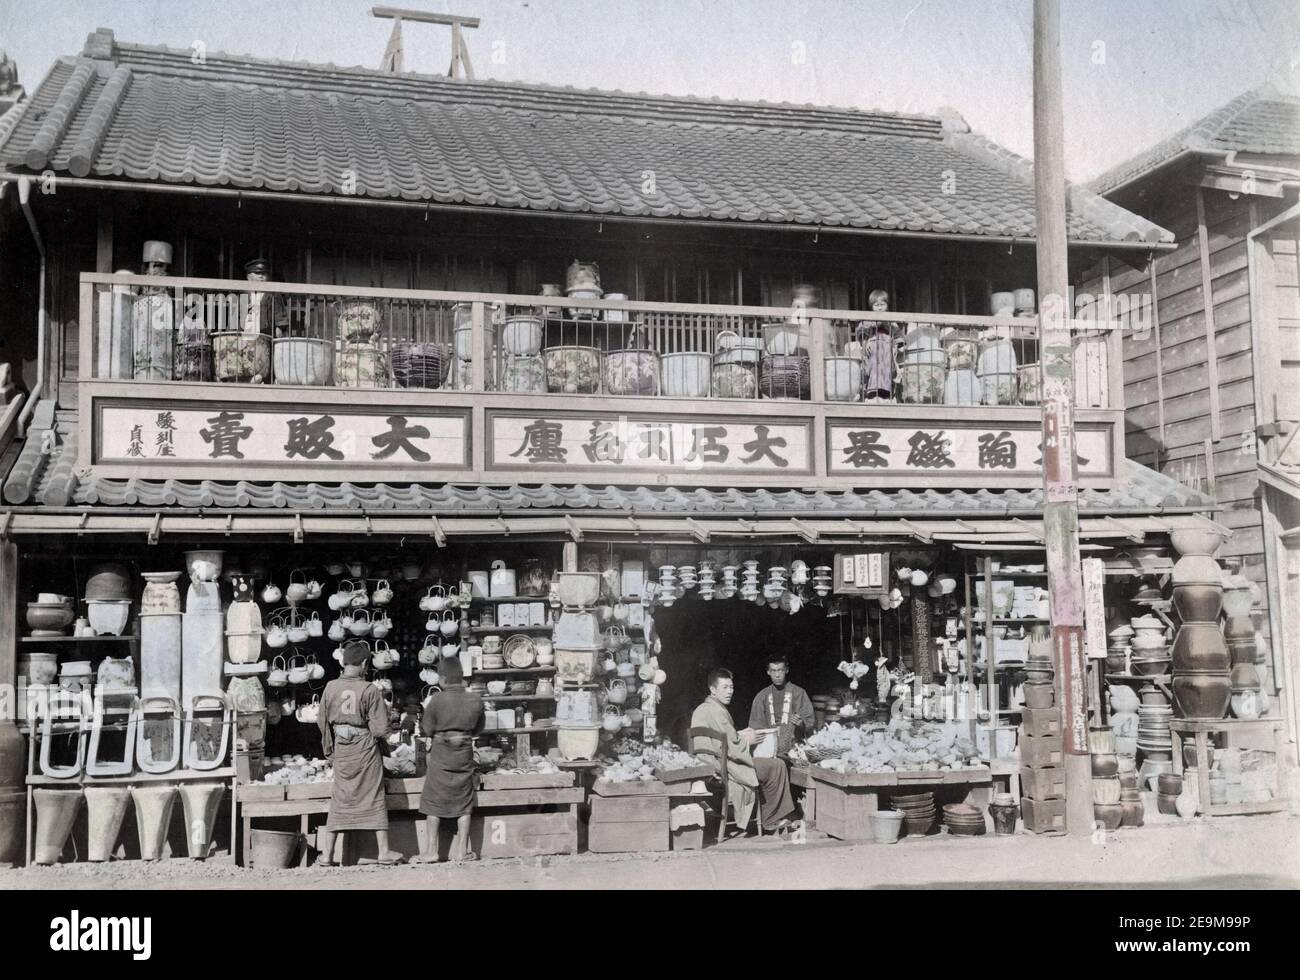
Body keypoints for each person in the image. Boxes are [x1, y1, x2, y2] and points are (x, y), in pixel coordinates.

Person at [316, 640, 403, 866]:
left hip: (342, 751)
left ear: (344, 662)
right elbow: (380, 729)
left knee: (340, 799)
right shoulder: (369, 690)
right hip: (364, 749)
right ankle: (383, 852)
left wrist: (330, 751)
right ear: (364, 663)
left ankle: (327, 855)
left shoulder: (330, 687)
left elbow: (322, 722)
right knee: (374, 796)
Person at [691, 668, 797, 835]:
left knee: (770, 764)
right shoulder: (716, 711)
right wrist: (747, 740)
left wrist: (740, 734)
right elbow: (731, 745)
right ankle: (771, 819)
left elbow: (720, 738)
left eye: (731, 687)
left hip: (715, 762)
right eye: (725, 687)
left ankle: (770, 815)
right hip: (727, 767)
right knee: (777, 765)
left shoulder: (703, 708)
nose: (729, 692)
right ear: (713, 689)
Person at [413, 657, 485, 863]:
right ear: (460, 677)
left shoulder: (437, 700)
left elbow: (427, 729)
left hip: (441, 754)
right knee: (464, 801)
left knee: (433, 801)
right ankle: (462, 851)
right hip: (463, 754)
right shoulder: (475, 700)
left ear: (443, 679)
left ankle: (431, 851)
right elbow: (478, 729)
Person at [748, 655, 815, 758]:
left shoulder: (799, 693)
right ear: (768, 672)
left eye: (780, 670)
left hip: (794, 749)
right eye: (773, 671)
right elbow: (755, 727)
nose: (777, 675)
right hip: (768, 749)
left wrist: (801, 724)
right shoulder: (761, 696)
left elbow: (810, 724)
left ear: (786, 670)